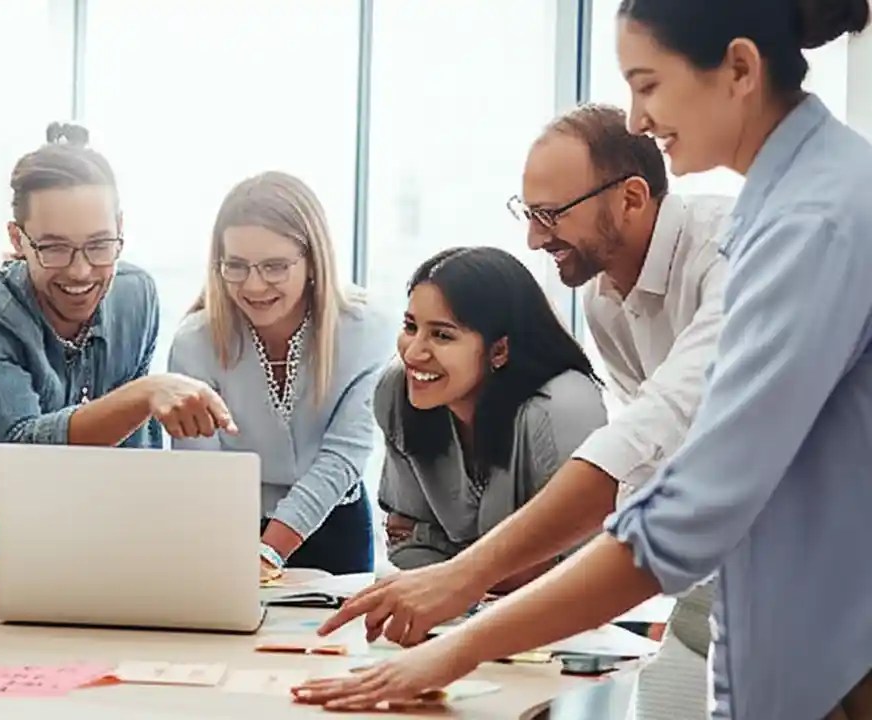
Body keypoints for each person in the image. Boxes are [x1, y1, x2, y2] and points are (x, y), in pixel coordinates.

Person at [294, 1, 872, 717]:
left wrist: (460, 630)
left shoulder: (809, 224)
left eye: (648, 84)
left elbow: (682, 490)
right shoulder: (782, 209)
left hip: (838, 643)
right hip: (772, 626)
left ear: (740, 70)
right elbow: (664, 475)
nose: (636, 121)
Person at [315, 104, 735, 718]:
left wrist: (463, 585)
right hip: (717, 574)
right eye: (528, 213)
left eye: (550, 215)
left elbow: (644, 445)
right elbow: (660, 478)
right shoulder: (605, 299)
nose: (535, 238)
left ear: (633, 198)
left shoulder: (731, 254)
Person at [0, 123, 236, 579]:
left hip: (58, 556)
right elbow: (24, 449)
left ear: (121, 230)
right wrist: (145, 393)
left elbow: (131, 446)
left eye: (98, 245)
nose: (80, 271)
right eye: (53, 247)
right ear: (18, 240)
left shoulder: (136, 295)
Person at [168, 172, 391, 577]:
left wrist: (268, 552)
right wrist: (230, 556)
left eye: (274, 267)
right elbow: (201, 474)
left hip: (334, 524)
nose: (253, 286)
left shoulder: (367, 330)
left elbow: (342, 458)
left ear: (312, 263)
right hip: (229, 528)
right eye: (235, 266)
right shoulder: (194, 342)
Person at [376, 247, 606, 588]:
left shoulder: (562, 406)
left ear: (499, 350)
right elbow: (404, 541)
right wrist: (495, 568)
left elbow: (582, 567)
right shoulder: (398, 391)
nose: (413, 352)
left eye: (442, 335)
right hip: (450, 613)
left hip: (570, 623)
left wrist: (451, 563)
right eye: (411, 326)